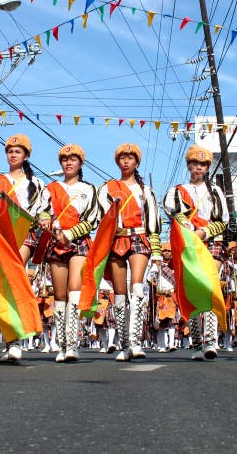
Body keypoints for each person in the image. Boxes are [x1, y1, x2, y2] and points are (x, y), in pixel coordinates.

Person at [0, 134, 52, 364]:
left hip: (24, 235)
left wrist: (44, 219)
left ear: (26, 155)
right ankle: (11, 341)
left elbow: (45, 210)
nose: (13, 154)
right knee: (0, 286)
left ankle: (18, 339)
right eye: (10, 150)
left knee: (13, 279)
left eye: (18, 151)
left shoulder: (37, 185)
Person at [96, 143, 162, 361]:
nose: (126, 161)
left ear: (137, 163)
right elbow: (102, 219)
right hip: (116, 239)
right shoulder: (106, 188)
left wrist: (157, 253)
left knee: (138, 290)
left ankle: (135, 341)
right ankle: (124, 343)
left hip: (139, 237)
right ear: (118, 162)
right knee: (119, 294)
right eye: (122, 158)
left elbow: (153, 222)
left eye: (130, 158)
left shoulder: (145, 191)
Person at [163, 145, 228, 361]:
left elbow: (223, 221)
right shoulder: (178, 191)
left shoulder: (216, 191)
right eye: (195, 163)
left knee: (209, 286)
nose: (198, 167)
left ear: (208, 167)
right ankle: (196, 343)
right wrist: (189, 230)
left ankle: (211, 341)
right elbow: (173, 213)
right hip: (188, 244)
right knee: (191, 290)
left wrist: (204, 232)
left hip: (211, 242)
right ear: (189, 165)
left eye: (203, 164)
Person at [45, 144, 98, 362]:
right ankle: (62, 344)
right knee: (60, 295)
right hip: (55, 241)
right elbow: (43, 213)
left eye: (73, 159)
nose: (68, 163)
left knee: (74, 290)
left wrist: (70, 233)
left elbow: (92, 219)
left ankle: (73, 345)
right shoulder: (50, 188)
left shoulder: (88, 189)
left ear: (80, 164)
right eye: (65, 160)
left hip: (78, 243)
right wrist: (48, 224)